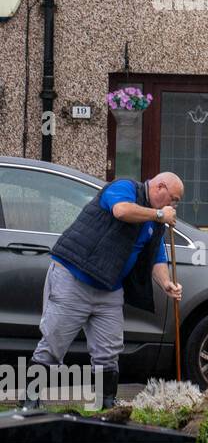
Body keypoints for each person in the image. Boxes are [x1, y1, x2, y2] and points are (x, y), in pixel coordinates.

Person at [23, 173, 186, 409]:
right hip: (73, 277)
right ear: (160, 187)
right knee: (53, 345)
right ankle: (29, 401)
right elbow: (121, 211)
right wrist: (160, 214)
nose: (173, 206)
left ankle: (107, 404)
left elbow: (156, 256)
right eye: (173, 199)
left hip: (110, 288)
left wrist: (166, 283)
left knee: (108, 352)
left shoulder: (156, 222)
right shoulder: (125, 187)